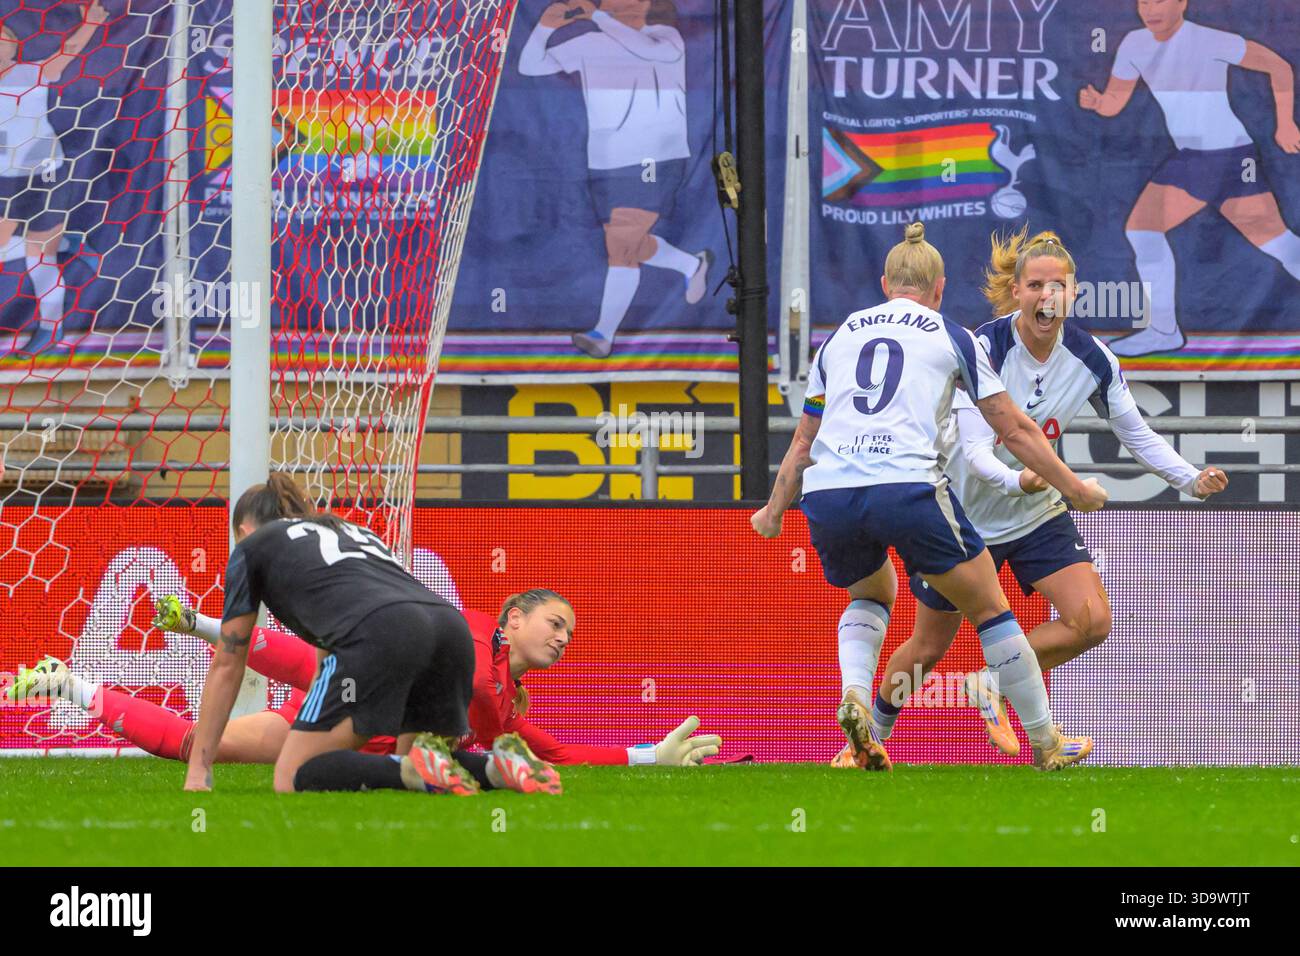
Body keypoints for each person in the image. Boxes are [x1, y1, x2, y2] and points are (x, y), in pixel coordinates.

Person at [843, 228, 1229, 761]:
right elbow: (977, 453)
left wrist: (1189, 478)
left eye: (1058, 286)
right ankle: (866, 744)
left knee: (1092, 619)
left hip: (1035, 515)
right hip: (965, 517)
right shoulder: (983, 347)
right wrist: (1020, 478)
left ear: (1074, 293)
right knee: (927, 649)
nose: (1046, 296)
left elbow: (1135, 432)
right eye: (1034, 285)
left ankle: (991, 685)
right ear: (1017, 292)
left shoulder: (1093, 358)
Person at [751, 222, 1107, 771]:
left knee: (870, 596)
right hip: (907, 487)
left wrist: (774, 512)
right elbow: (1013, 430)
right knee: (990, 608)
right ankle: (1045, 742)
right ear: (939, 289)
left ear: (885, 282)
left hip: (831, 493)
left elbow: (803, 440)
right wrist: (1073, 486)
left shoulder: (840, 336)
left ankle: (856, 701)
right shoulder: (951, 333)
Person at [5, 590, 722, 773]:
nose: (563, 637)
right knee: (324, 665)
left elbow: (549, 750)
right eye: (555, 622)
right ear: (514, 617)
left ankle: (71, 688)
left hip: (344, 736)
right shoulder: (471, 634)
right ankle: (198, 622)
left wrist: (644, 756)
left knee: (200, 745)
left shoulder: (505, 697)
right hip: (349, 710)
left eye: (571, 633)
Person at [179, 473, 553, 797]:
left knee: (292, 774)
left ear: (243, 530)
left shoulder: (251, 549)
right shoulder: (348, 529)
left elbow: (228, 664)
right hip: (448, 628)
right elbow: (333, 646)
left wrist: (198, 771)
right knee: (414, 757)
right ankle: (495, 768)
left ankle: (421, 771)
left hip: (382, 629)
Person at [1079, 0, 1300, 356]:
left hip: (1225, 156)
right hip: (1203, 157)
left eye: (1159, 0)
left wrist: (1285, 123)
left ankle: (1163, 331)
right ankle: (1163, 331)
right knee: (1278, 242)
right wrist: (1097, 103)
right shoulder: (1134, 44)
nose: (1150, 9)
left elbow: (1278, 66)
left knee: (1145, 229)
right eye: (1143, 2)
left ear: (1182, 3)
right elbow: (1114, 103)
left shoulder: (1211, 40)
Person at [518, 0, 710, 359]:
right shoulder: (591, 43)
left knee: (621, 243)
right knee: (626, 243)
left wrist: (598, 17)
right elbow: (529, 66)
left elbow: (635, 46)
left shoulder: (664, 38)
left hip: (658, 157)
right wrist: (545, 26)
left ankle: (603, 335)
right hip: (606, 163)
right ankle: (690, 264)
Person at [0, 2, 107, 354]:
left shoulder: (29, 73)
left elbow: (69, 52)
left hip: (43, 172)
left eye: (5, 38)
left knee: (38, 258)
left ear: (15, 47)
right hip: (4, 177)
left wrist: (90, 24)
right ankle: (68, 244)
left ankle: (50, 329)